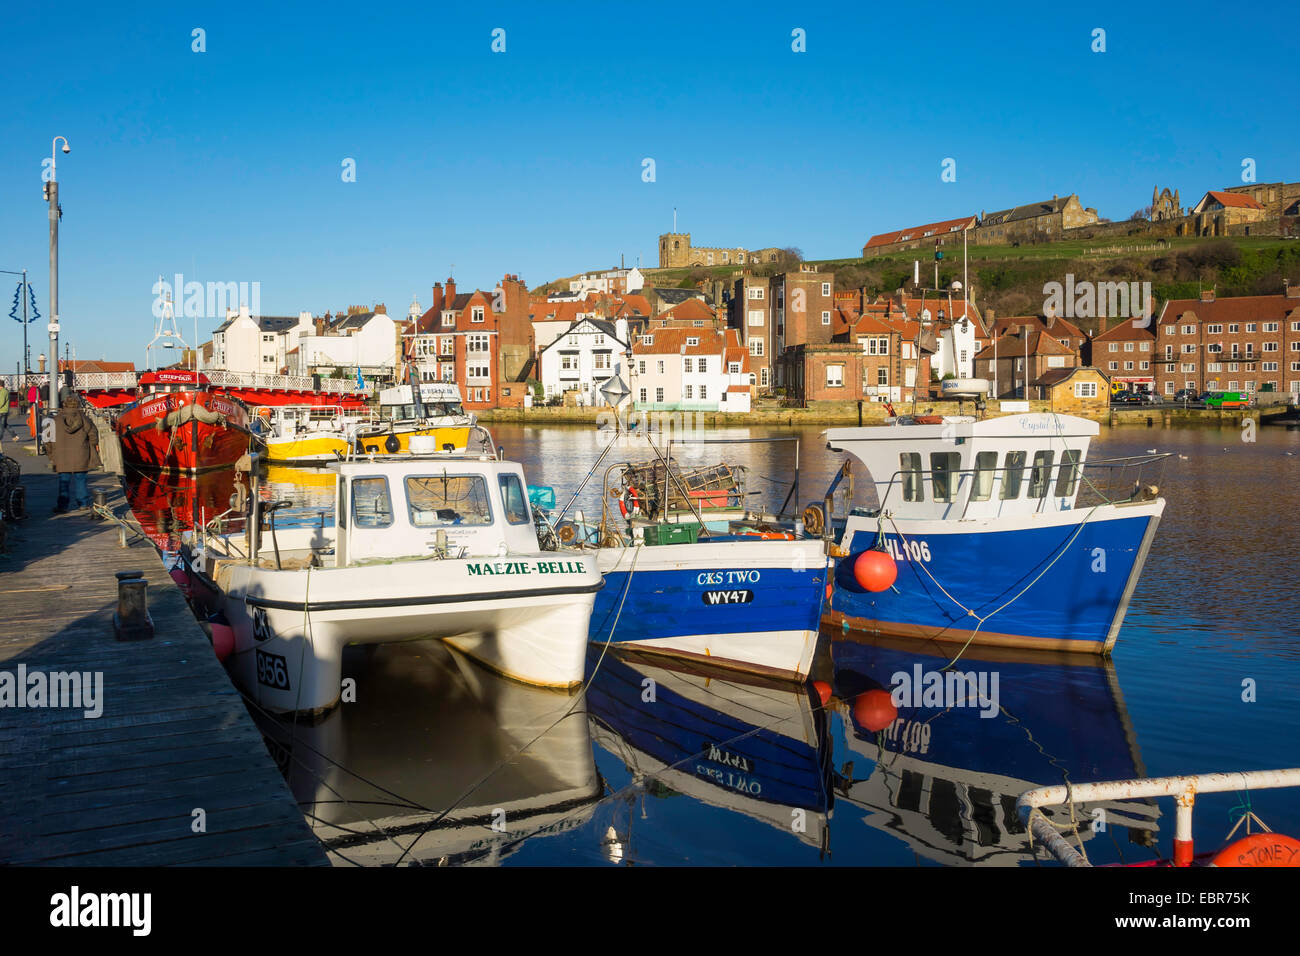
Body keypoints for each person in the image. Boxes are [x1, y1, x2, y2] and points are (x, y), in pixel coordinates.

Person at [50, 394, 100, 513]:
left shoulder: (55, 420)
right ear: (77, 405)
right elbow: (93, 434)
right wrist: (92, 445)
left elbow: (48, 439)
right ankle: (83, 504)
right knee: (80, 479)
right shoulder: (84, 419)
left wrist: (51, 453)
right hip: (81, 453)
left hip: (61, 455)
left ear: (64, 405)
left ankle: (62, 505)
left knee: (64, 480)